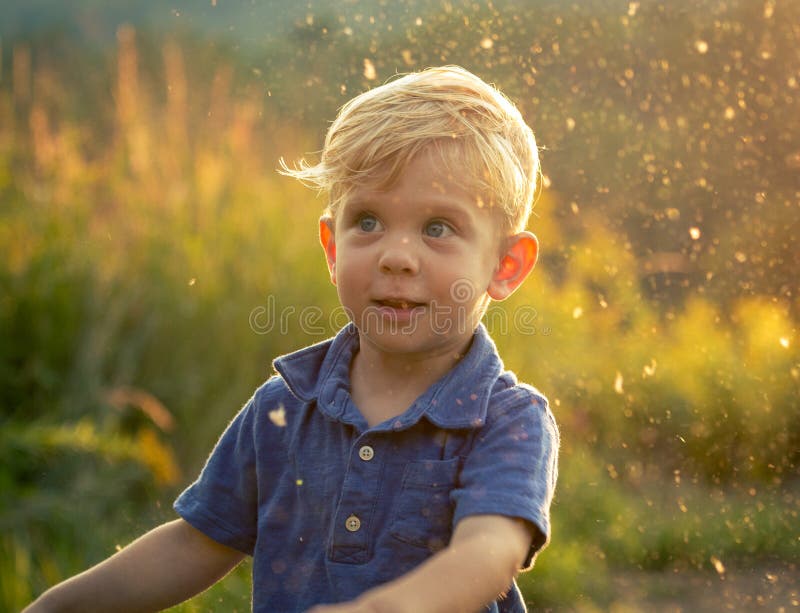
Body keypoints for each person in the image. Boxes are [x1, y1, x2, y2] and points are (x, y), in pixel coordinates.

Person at [24, 65, 559, 613]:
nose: (396, 256)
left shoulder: (506, 420)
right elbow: (194, 543)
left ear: (506, 265)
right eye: (368, 221)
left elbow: (489, 553)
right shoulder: (282, 410)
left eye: (438, 228)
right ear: (331, 246)